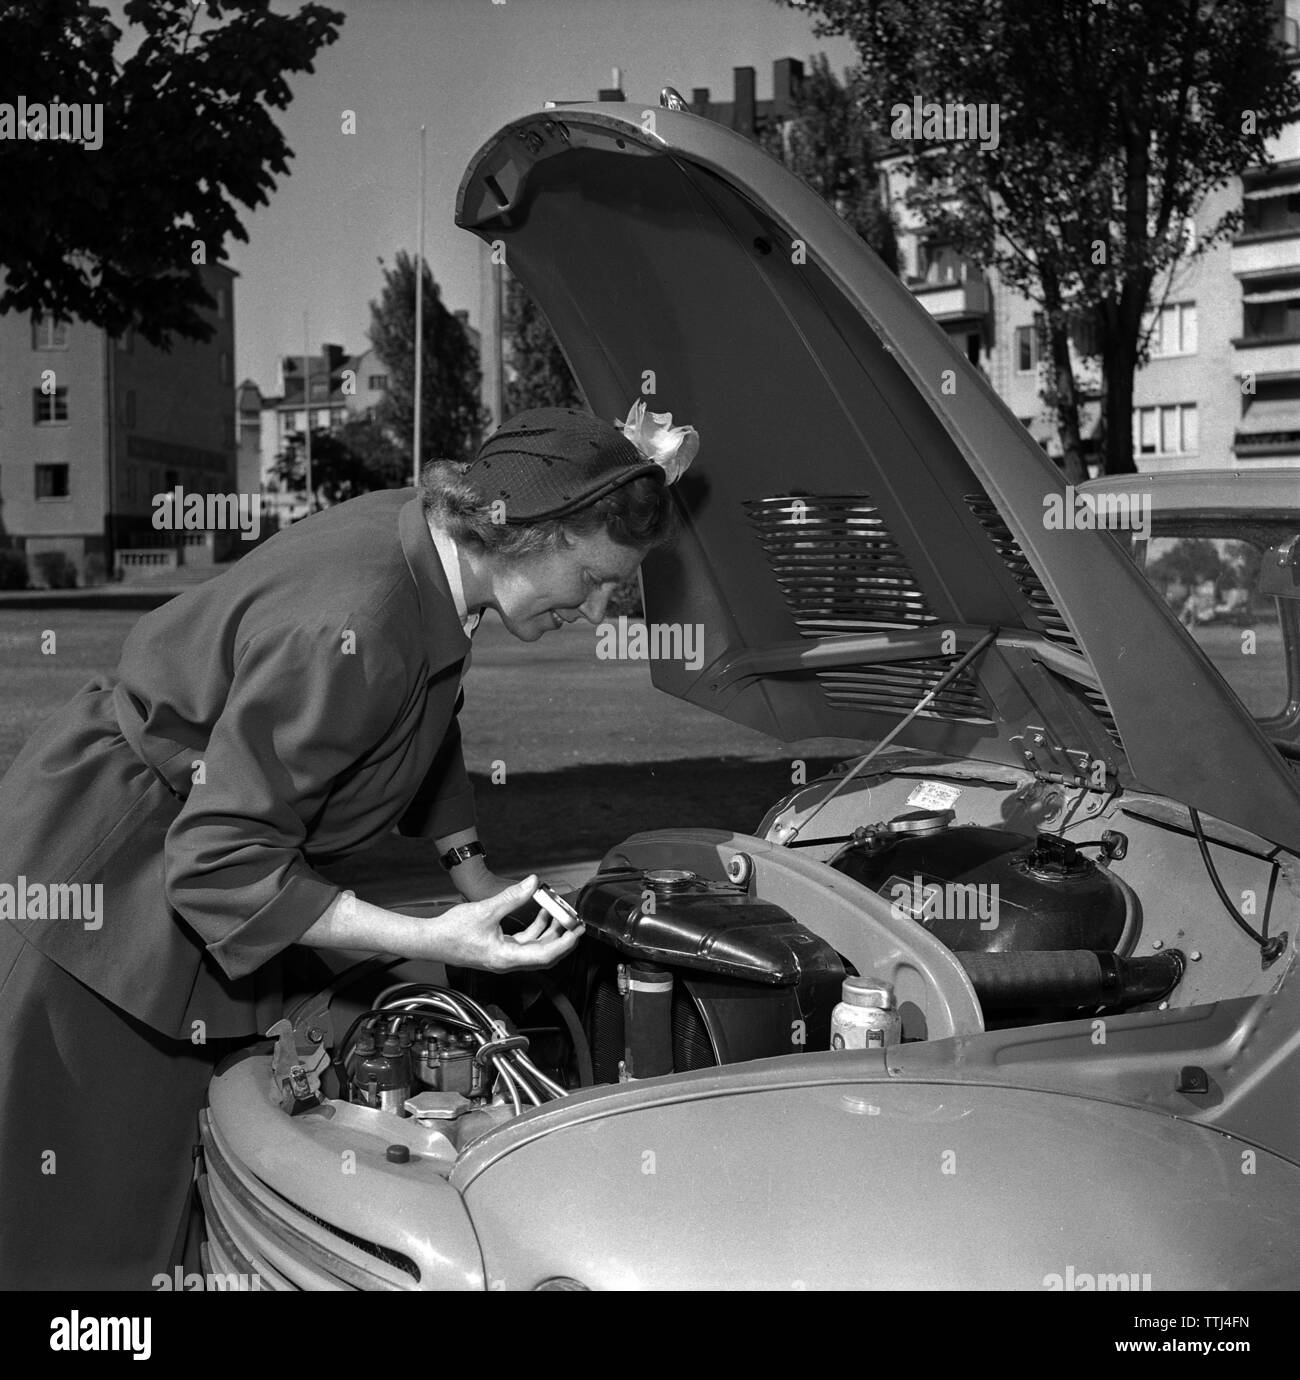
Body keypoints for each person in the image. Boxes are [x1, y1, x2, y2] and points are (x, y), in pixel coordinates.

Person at [0, 402, 699, 1290]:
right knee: (84, 1220)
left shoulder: (438, 562)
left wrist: (472, 874)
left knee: (193, 1172)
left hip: (188, 862)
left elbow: (423, 719)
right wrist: (431, 938)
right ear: (525, 532)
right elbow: (219, 858)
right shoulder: (362, 614)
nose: (600, 609)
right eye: (596, 577)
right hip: (107, 893)